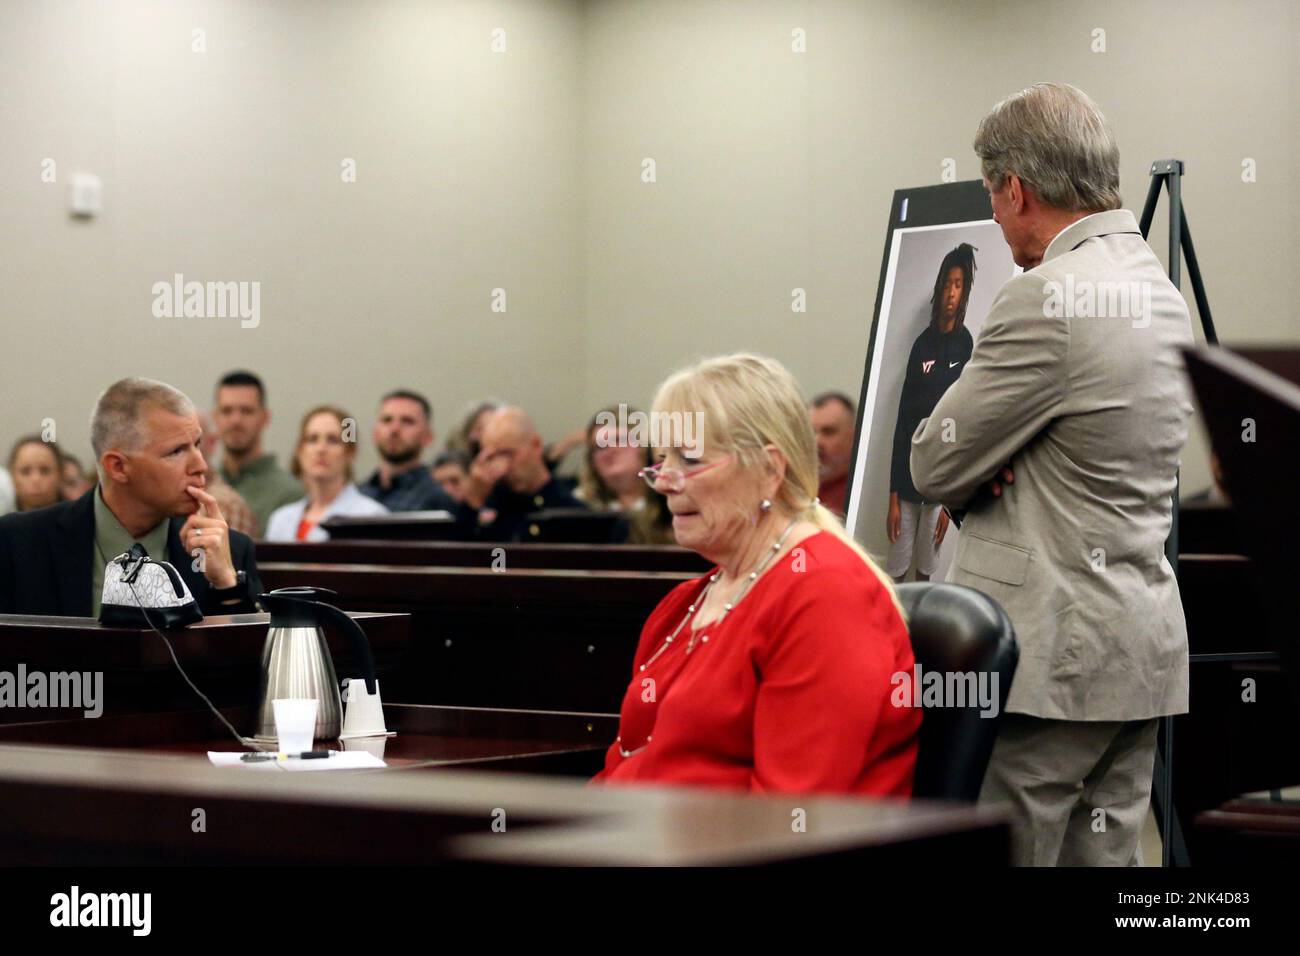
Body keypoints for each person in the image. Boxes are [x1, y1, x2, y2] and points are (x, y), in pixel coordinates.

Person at [911, 83, 1193, 866]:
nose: (995, 220)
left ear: (1016, 188)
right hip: (1134, 652)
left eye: (991, 197)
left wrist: (990, 459)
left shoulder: (1047, 297)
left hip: (1044, 658)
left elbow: (934, 461)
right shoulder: (1160, 292)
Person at [593, 354, 920, 795]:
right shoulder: (684, 603)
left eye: (689, 459)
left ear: (769, 469)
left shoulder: (826, 596)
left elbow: (790, 813)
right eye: (661, 459)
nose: (666, 481)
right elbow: (625, 764)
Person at [0, 378, 263, 617]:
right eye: (176, 451)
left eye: (196, 445)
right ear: (118, 467)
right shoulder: (18, 544)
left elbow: (245, 665)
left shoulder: (227, 552)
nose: (200, 465)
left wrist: (227, 585)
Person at [887, 244, 977, 582]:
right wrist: (893, 495)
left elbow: (966, 421)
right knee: (895, 572)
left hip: (941, 485)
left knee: (925, 575)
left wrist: (954, 499)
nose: (951, 293)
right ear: (939, 289)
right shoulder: (921, 345)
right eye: (947, 284)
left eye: (958, 285)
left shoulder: (967, 345)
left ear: (964, 291)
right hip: (908, 483)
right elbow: (903, 419)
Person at [456, 407, 587, 541]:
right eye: (492, 457)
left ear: (536, 445)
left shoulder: (572, 513)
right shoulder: (488, 505)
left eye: (507, 454)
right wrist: (473, 501)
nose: (503, 467)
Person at [266, 406, 388, 542]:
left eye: (333, 440)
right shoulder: (281, 519)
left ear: (350, 451)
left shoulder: (371, 517)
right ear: (300, 450)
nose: (321, 449)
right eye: (312, 439)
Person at [213, 370, 302, 530]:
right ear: (215, 417)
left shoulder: (289, 495)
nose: (236, 421)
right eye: (227, 411)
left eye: (246, 411)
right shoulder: (201, 485)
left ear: (265, 418)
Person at [574, 407, 674, 545]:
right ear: (592, 462)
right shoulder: (578, 507)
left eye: (618, 440)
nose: (610, 451)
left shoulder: (673, 503)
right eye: (600, 447)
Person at [358, 390, 456, 512]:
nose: (394, 429)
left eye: (407, 421)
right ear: (375, 433)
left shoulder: (438, 499)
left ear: (428, 436)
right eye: (387, 420)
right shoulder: (357, 494)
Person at [198, 410, 258, 537]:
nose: (185, 453)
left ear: (211, 443)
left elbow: (228, 556)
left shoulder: (227, 506)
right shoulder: (160, 500)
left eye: (196, 442)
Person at [809, 392, 856, 518]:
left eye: (828, 432)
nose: (817, 442)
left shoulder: (858, 498)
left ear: (853, 438)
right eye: (811, 432)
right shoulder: (793, 490)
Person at [7, 436, 64, 512]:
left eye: (45, 471)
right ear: (13, 477)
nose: (36, 479)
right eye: (25, 471)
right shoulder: (4, 521)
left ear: (60, 475)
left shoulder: (79, 521)